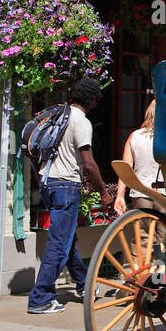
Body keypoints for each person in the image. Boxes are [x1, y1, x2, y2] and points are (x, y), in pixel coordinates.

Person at [28, 78, 113, 314]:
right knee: (60, 242)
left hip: (47, 182)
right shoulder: (81, 122)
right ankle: (41, 298)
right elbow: (89, 163)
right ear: (93, 100)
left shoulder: (60, 114)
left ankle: (84, 284)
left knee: (65, 239)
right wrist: (104, 192)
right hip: (66, 185)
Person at [113, 100, 166, 216]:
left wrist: (120, 196)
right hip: (165, 196)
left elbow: (125, 169)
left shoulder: (134, 136)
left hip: (141, 194)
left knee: (144, 233)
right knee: (165, 233)